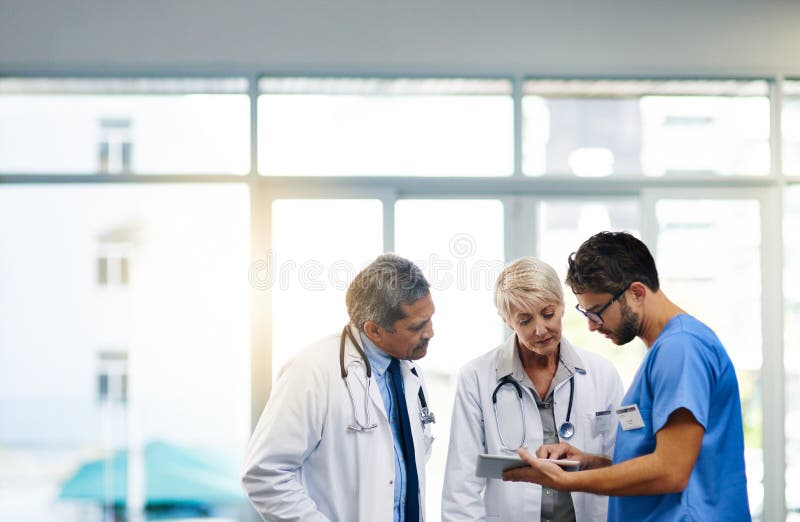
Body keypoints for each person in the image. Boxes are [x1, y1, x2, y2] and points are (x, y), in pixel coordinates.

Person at [504, 231, 750, 521]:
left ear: (636, 293)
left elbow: (671, 471)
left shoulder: (681, 349)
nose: (593, 327)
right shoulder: (666, 350)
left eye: (597, 312)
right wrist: (587, 463)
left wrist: (566, 482)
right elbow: (653, 460)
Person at [241, 253, 436, 522]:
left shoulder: (407, 368)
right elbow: (265, 474)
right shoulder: (312, 370)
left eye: (430, 319)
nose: (430, 333)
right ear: (374, 330)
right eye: (417, 326)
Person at [442, 257, 624, 521]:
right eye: (525, 320)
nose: (540, 330)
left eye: (548, 314)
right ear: (507, 321)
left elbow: (624, 464)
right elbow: (461, 487)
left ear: (562, 306)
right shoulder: (476, 377)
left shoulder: (602, 374)